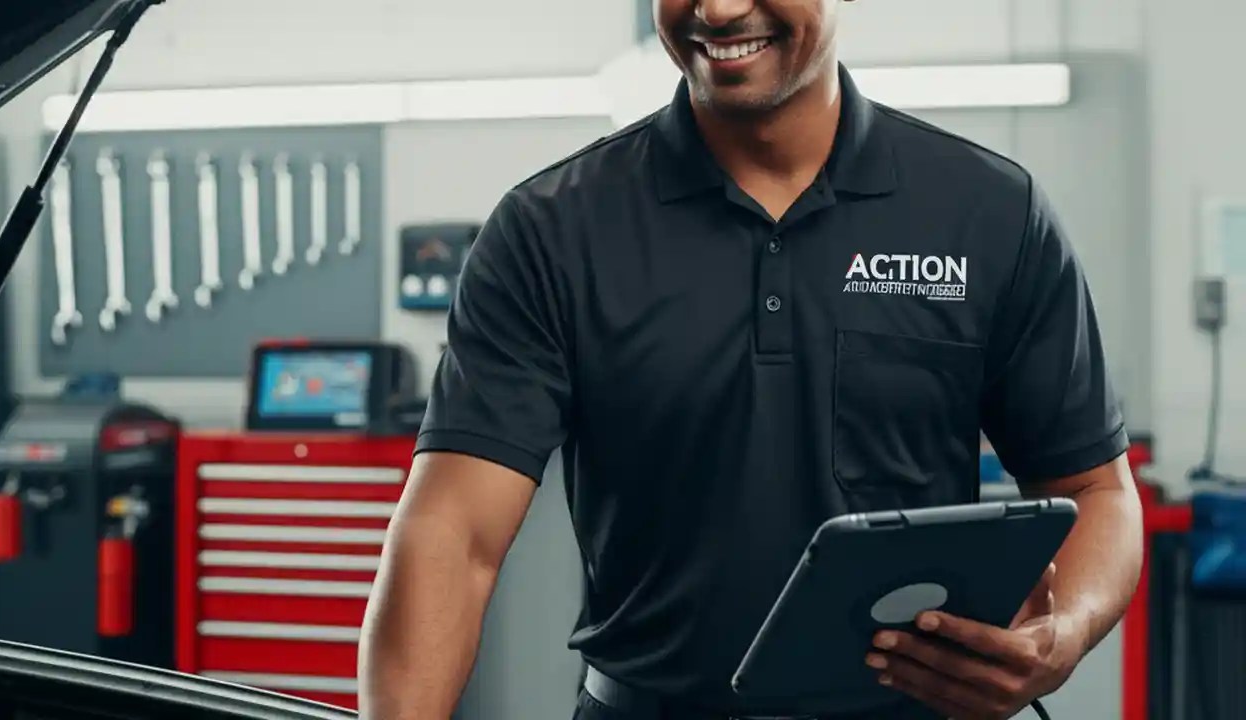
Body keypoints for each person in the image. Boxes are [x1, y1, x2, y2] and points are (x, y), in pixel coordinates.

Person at [357, 1, 1145, 718]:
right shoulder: (551, 232)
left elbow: (1095, 489)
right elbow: (452, 536)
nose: (722, 9)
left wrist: (1062, 633)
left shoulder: (991, 212)